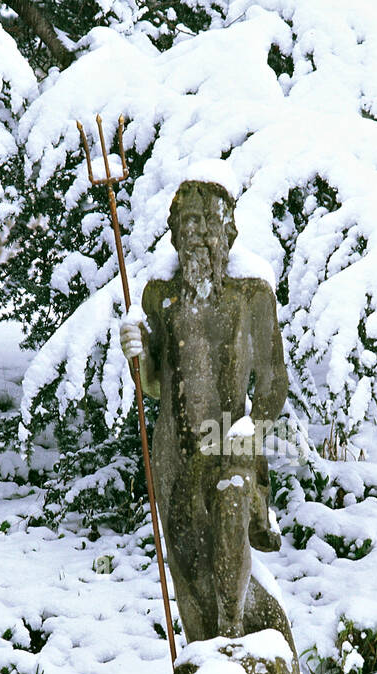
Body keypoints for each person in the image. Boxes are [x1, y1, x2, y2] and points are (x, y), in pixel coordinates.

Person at [119, 175, 294, 649]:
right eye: (187, 222)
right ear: (174, 233)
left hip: (230, 442)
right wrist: (137, 352)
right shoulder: (160, 296)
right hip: (175, 448)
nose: (197, 232)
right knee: (186, 561)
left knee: (231, 505)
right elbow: (154, 383)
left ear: (229, 232)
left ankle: (235, 640)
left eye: (208, 222)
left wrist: (253, 430)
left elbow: (274, 381)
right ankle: (199, 656)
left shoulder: (251, 295)